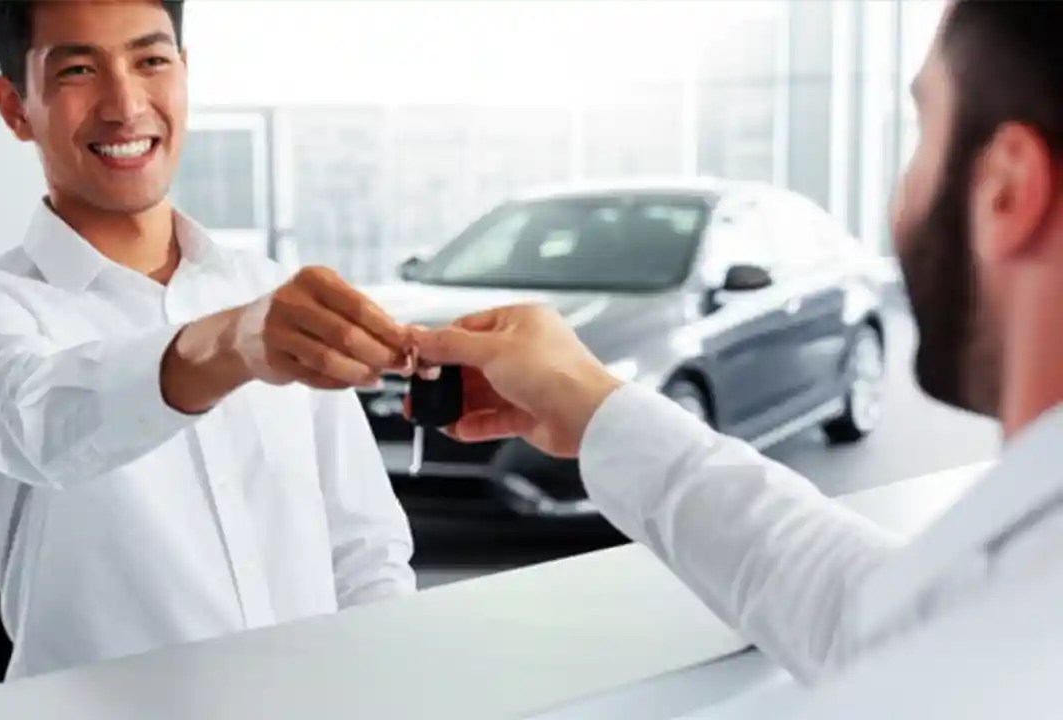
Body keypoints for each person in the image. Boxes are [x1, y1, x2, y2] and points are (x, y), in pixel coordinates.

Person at [411, 0, 1063, 707]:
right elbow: (878, 616)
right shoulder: (1007, 609)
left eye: (922, 130)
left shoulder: (989, 663)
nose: (902, 194)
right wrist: (601, 412)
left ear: (1007, 188)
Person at [0, 0, 415, 679]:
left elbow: (366, 554)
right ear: (14, 107)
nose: (125, 104)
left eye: (151, 60)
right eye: (79, 70)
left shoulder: (267, 290)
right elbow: (39, 426)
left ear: (184, 74)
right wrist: (229, 346)